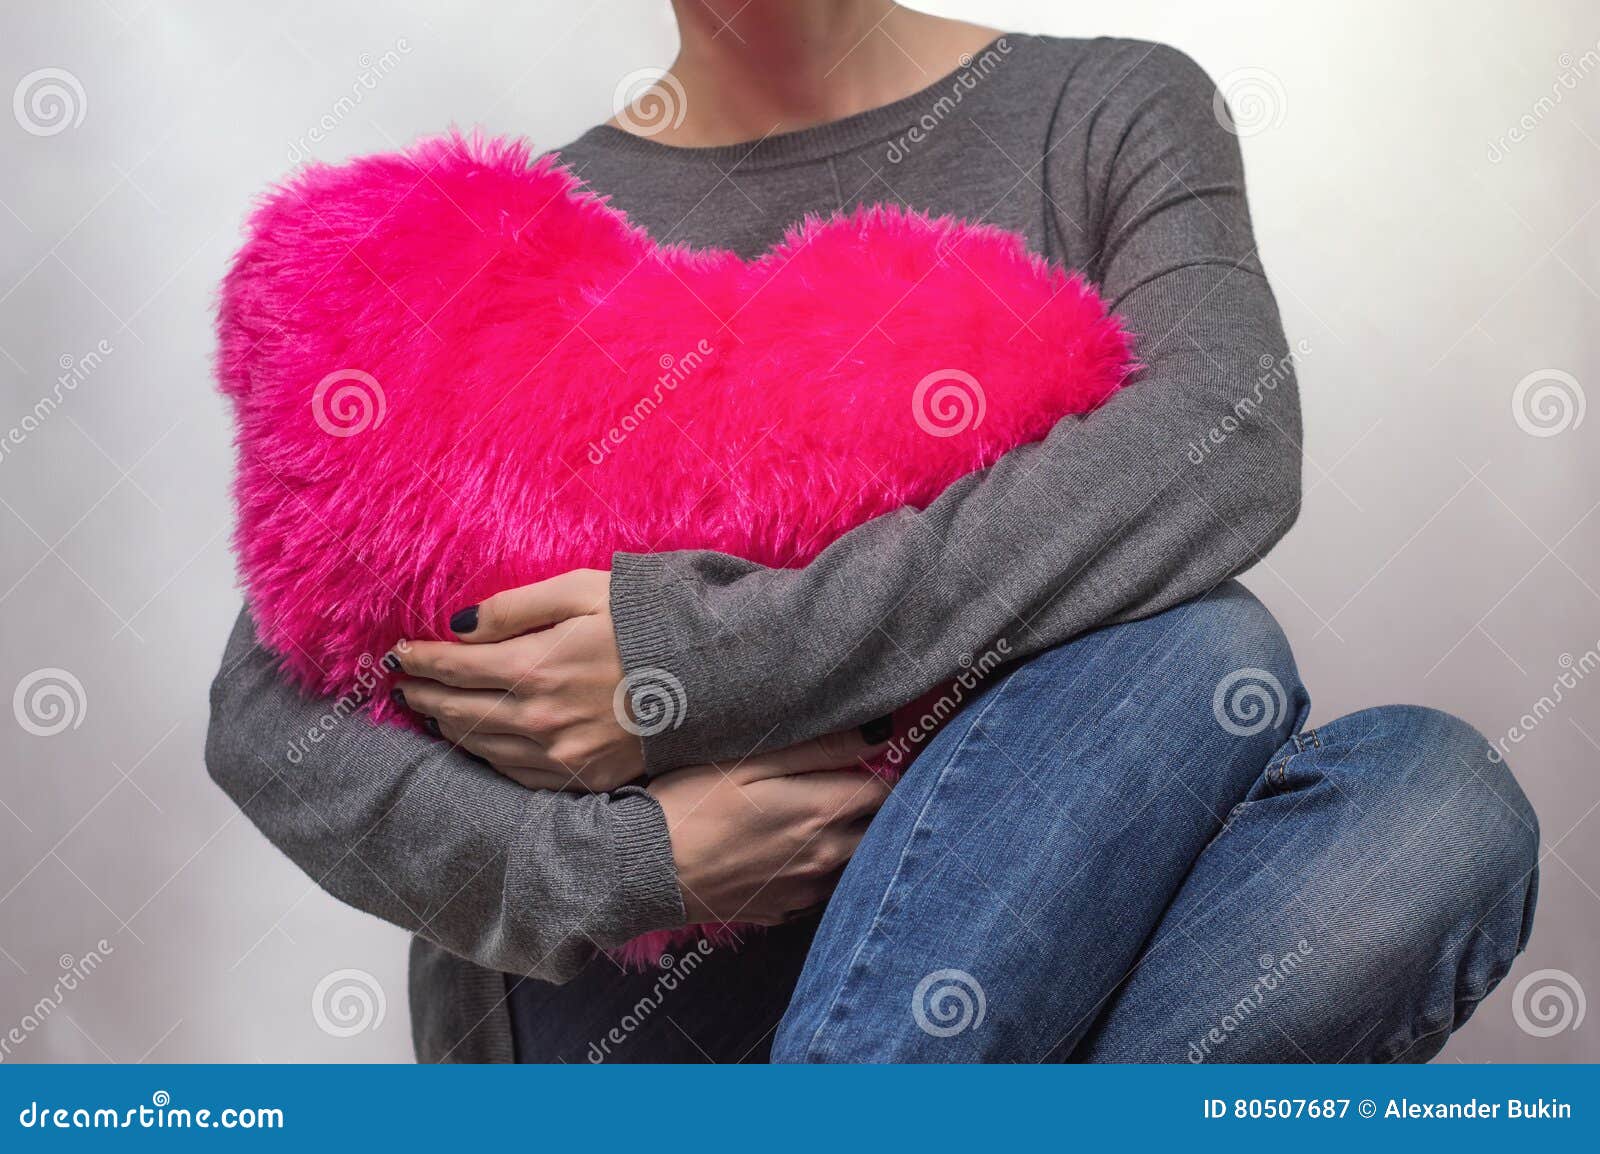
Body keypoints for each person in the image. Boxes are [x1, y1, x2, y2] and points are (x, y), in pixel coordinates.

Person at [206, 2, 1538, 1062]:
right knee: (1200, 643)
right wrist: (625, 862)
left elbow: (1223, 441)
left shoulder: (1113, 107)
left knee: (1426, 799)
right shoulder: (507, 236)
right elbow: (271, 716)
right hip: (649, 1009)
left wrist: (688, 663)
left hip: (1060, 935)